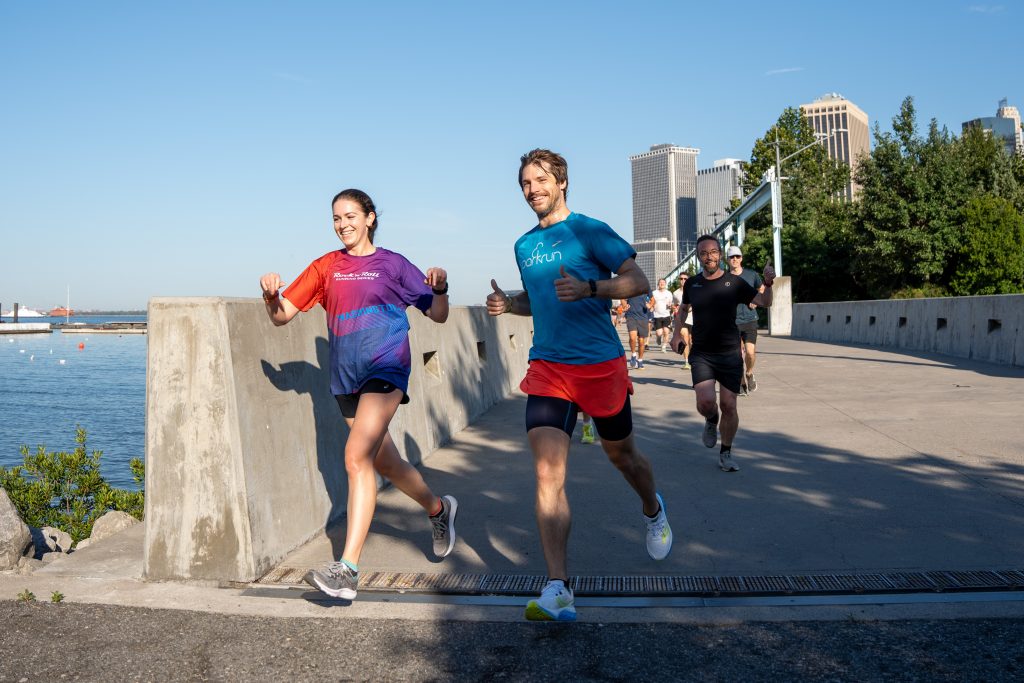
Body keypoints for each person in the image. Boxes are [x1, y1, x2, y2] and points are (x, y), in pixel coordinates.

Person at [487, 149, 673, 622]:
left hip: (599, 365)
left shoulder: (590, 230)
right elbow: (540, 299)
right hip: (549, 367)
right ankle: (558, 588)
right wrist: (510, 303)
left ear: (562, 182)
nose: (533, 190)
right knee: (548, 473)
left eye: (542, 180)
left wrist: (591, 288)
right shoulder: (524, 245)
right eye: (526, 183)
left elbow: (638, 280)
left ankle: (652, 508)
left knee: (622, 457)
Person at [259, 189, 458, 601]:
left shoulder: (393, 264)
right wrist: (269, 297)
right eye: (336, 218)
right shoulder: (326, 266)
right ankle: (439, 510)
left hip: (386, 368)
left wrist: (440, 290)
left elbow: (437, 314)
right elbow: (281, 317)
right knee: (386, 462)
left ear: (369, 218)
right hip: (346, 379)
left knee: (355, 457)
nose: (343, 223)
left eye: (351, 215)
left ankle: (347, 571)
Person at [670, 235, 774, 473]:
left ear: (720, 254)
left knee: (729, 405)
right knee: (706, 402)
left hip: (729, 353)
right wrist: (677, 334)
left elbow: (764, 301)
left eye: (714, 252)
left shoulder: (734, 282)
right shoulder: (692, 284)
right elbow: (684, 309)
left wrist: (768, 285)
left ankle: (725, 452)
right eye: (704, 253)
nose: (710, 257)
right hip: (703, 353)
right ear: (698, 257)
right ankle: (710, 419)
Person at [726, 246, 764, 395]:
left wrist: (756, 299)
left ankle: (749, 373)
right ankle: (741, 381)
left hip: (749, 319)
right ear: (727, 260)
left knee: (750, 352)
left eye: (737, 256)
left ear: (741, 258)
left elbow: (761, 289)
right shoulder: (723, 277)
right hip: (731, 321)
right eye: (731, 257)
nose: (734, 259)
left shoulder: (751, 275)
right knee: (736, 356)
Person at [623, 291, 651, 369]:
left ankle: (640, 360)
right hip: (631, 316)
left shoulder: (646, 288)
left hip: (643, 317)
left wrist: (651, 305)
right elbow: (622, 297)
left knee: (641, 341)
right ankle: (633, 354)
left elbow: (653, 299)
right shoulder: (630, 287)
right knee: (632, 338)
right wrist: (624, 304)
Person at [671, 273, 693, 369]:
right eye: (681, 278)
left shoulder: (694, 290)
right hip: (683, 319)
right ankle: (686, 361)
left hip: (694, 319)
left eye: (685, 278)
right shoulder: (676, 293)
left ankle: (693, 358)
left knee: (692, 341)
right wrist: (674, 309)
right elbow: (674, 305)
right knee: (685, 338)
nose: (683, 280)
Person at [651, 279, 674, 352]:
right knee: (659, 333)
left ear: (665, 284)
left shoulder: (669, 293)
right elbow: (651, 302)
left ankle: (664, 346)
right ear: (658, 284)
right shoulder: (654, 293)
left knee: (666, 332)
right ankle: (658, 338)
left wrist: (671, 306)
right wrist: (651, 307)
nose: (662, 284)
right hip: (657, 315)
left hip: (666, 315)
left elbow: (671, 303)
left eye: (663, 282)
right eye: (660, 282)